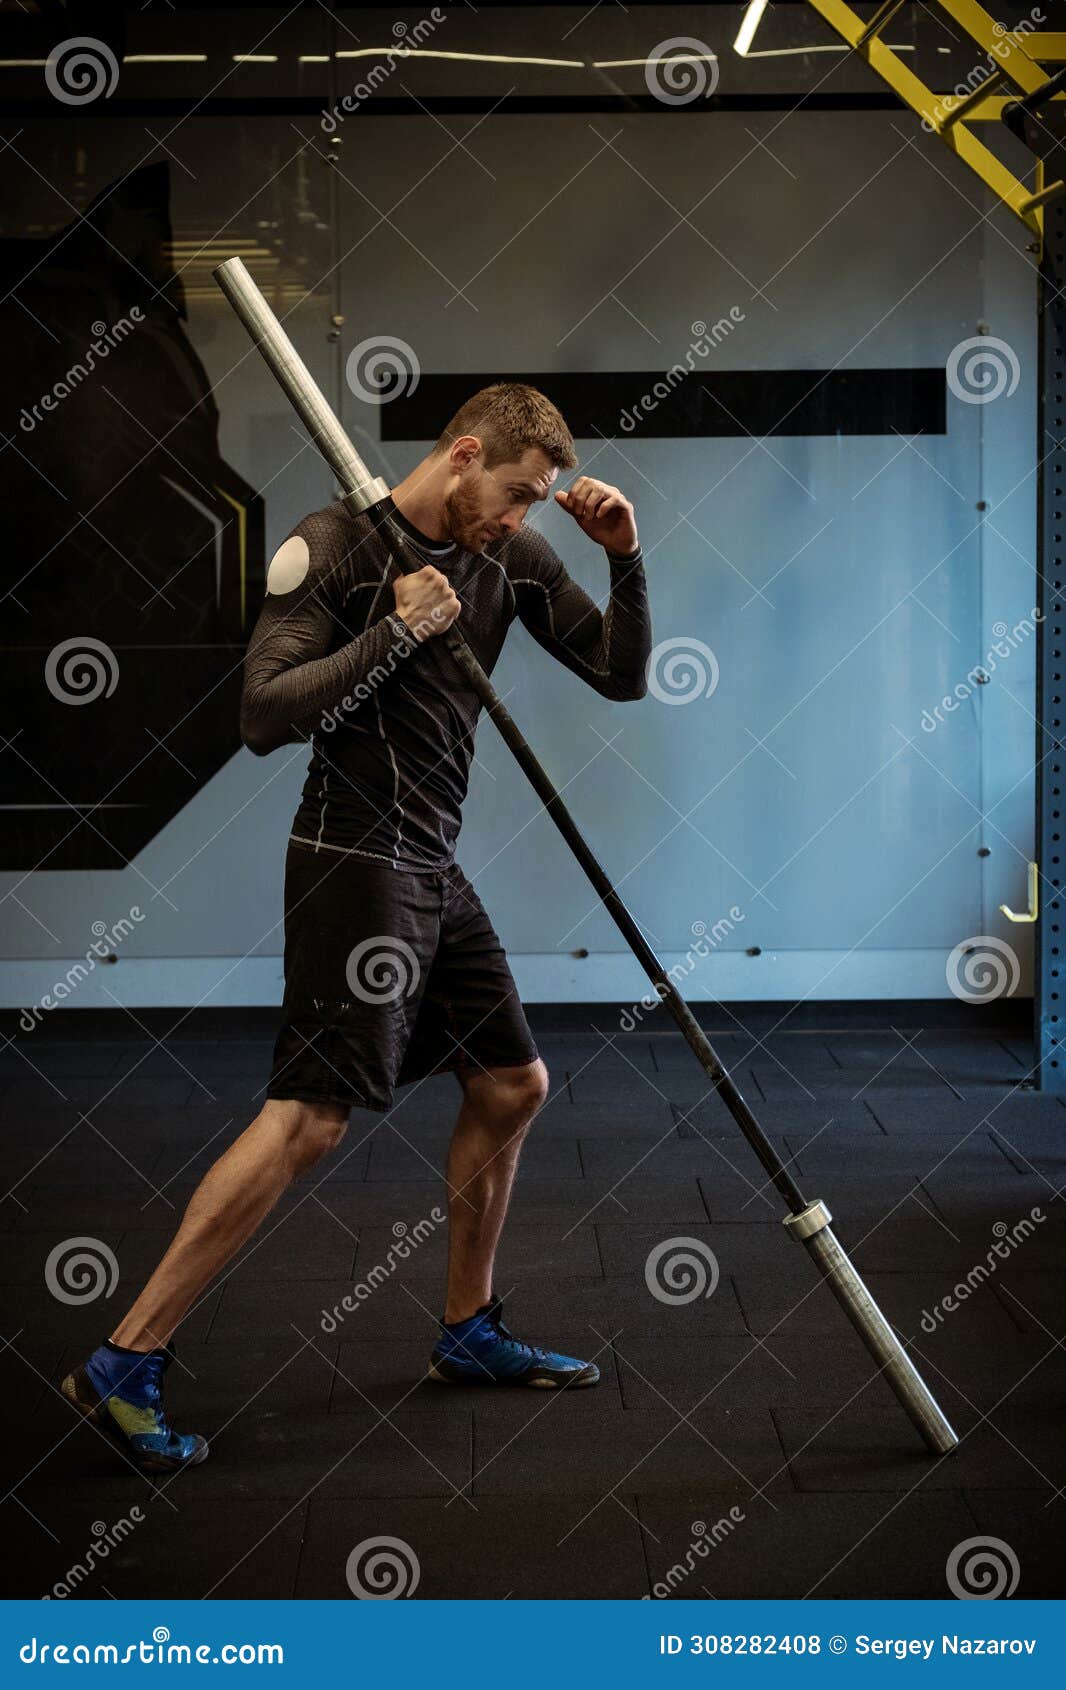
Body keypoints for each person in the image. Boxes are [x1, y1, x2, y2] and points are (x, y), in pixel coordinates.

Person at [62, 382, 652, 1473]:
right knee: (308, 1121)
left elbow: (620, 676)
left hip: (433, 863)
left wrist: (625, 558)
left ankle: (467, 1330)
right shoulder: (330, 547)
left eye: (534, 501)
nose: (520, 515)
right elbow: (261, 716)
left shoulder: (512, 558)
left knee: (511, 1083)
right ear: (464, 453)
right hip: (353, 862)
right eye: (516, 492)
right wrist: (395, 630)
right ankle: (124, 1356)